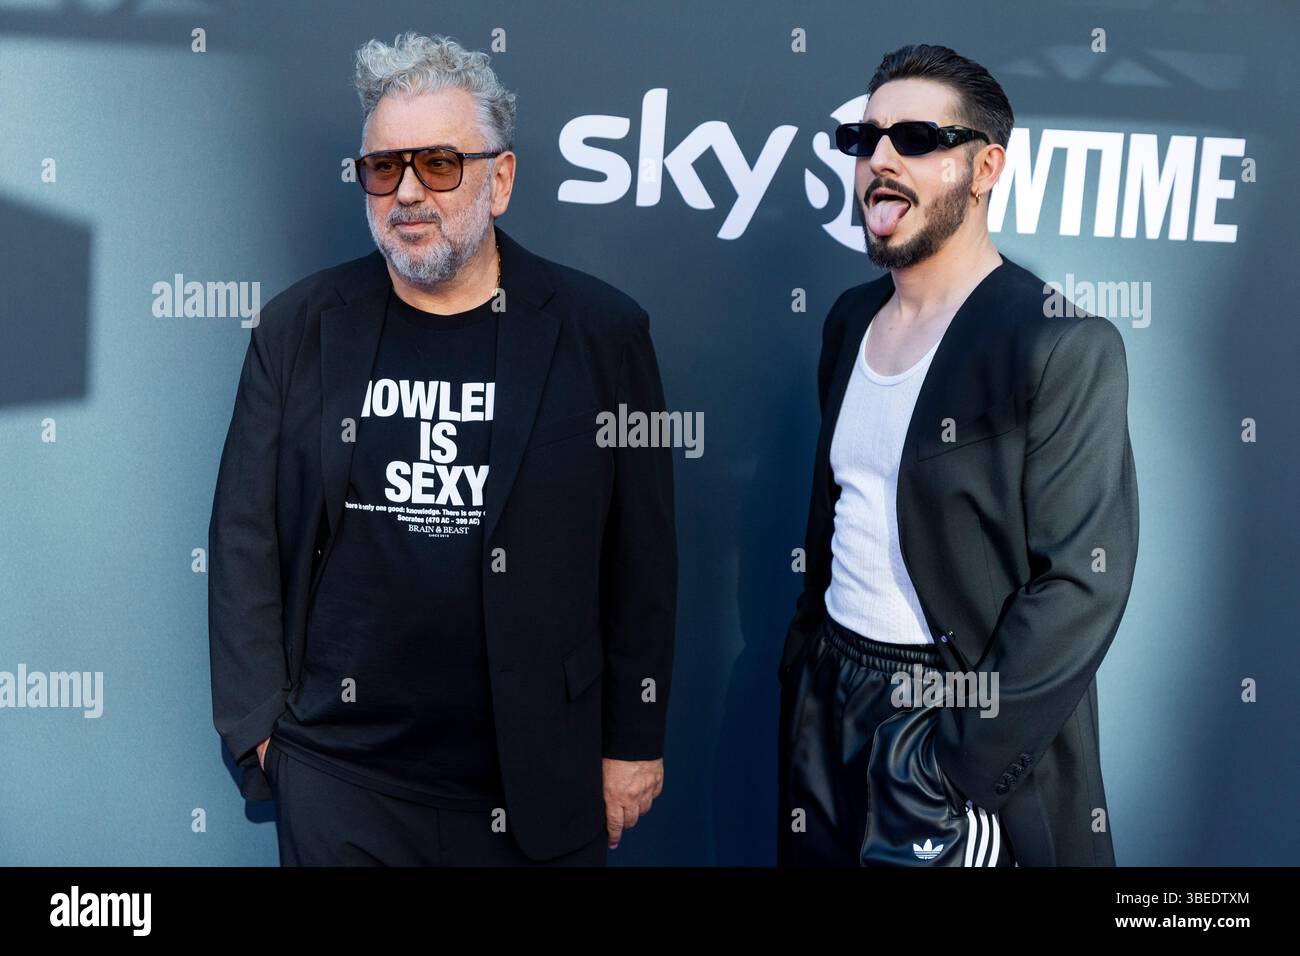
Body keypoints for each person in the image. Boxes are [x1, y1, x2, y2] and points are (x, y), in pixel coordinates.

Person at [208, 32, 676, 866]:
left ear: (499, 180)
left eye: (439, 165)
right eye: (384, 169)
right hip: (339, 782)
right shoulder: (297, 328)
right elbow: (245, 540)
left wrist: (632, 743)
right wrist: (264, 741)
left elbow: (642, 560)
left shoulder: (602, 333)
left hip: (538, 782)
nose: (407, 193)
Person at [777, 44, 1138, 866]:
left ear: (985, 168)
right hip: (828, 703)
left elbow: (1082, 583)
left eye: (916, 139)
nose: (881, 162)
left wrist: (948, 764)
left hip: (945, 723)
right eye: (865, 142)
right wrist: (805, 675)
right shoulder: (848, 319)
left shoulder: (1059, 343)